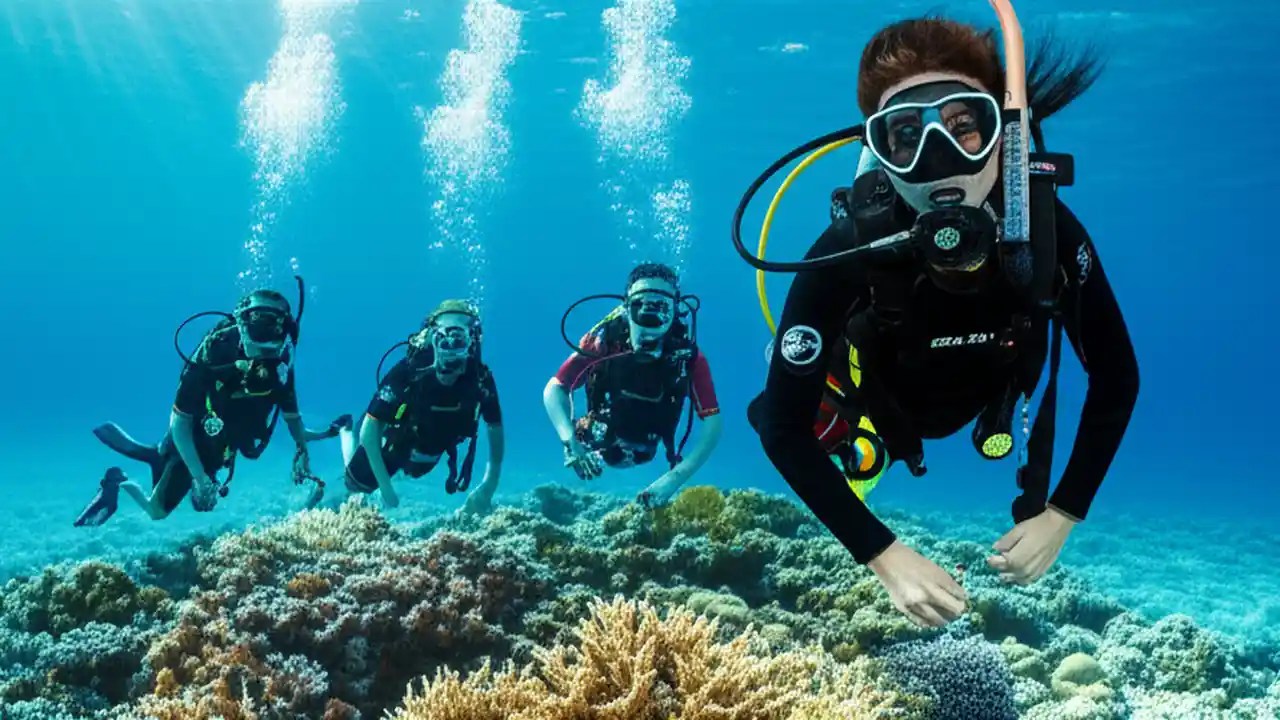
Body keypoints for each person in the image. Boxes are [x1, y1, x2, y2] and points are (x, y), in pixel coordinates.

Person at [737, 13, 1139, 629]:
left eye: (962, 126)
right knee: (790, 403)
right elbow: (782, 425)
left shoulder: (1048, 233)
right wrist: (882, 554)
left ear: (1001, 130)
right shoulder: (847, 250)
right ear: (881, 152)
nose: (938, 160)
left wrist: (1063, 514)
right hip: (878, 407)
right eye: (907, 135)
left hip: (989, 397)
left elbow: (1117, 376)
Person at [75, 284, 345, 526]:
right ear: (241, 322)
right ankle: (117, 480)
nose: (265, 349)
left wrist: (303, 450)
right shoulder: (214, 350)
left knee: (192, 490)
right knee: (157, 511)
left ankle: (154, 457)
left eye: (275, 327)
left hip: (222, 444)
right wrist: (200, 477)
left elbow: (292, 418)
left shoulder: (284, 362)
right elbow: (179, 422)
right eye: (258, 324)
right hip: (192, 440)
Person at [544, 262, 723, 508]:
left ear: (675, 311)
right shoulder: (602, 341)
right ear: (626, 308)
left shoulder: (688, 358)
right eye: (640, 305)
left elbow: (713, 424)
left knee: (638, 450)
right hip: (601, 435)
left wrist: (672, 480)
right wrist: (569, 440)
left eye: (661, 307)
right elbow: (555, 388)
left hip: (647, 444)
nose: (650, 317)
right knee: (599, 439)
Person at [337, 299, 503, 515]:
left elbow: (495, 430)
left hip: (430, 450)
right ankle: (345, 432)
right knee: (355, 487)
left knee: (414, 471)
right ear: (432, 337)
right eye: (444, 336)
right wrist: (386, 489)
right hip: (393, 441)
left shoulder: (481, 379)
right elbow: (371, 430)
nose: (451, 344)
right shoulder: (410, 370)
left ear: (472, 340)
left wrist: (488, 488)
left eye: (459, 337)